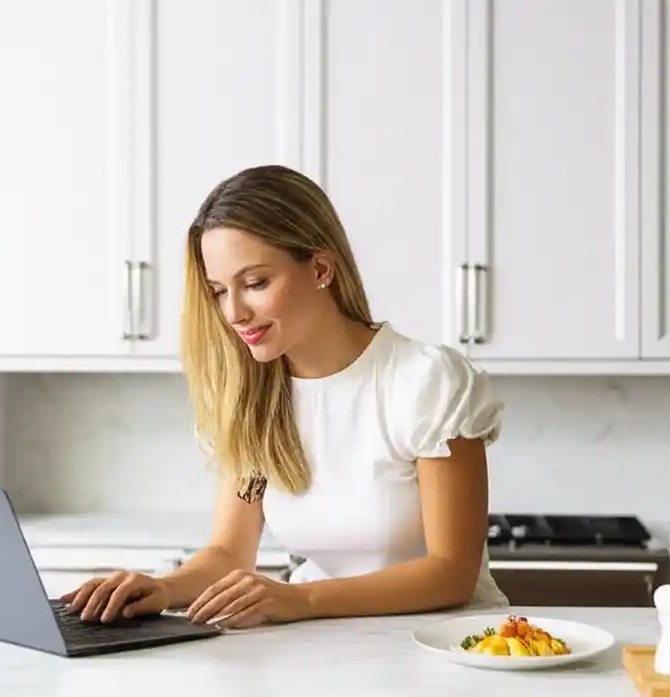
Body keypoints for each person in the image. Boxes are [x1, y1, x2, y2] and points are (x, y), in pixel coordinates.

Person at [61, 165, 508, 628]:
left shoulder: (424, 382)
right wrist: (162, 587)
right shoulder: (252, 396)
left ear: (320, 268)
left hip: (448, 650)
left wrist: (301, 600)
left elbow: (451, 572)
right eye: (218, 291)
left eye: (255, 283)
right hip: (331, 651)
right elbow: (229, 552)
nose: (234, 312)